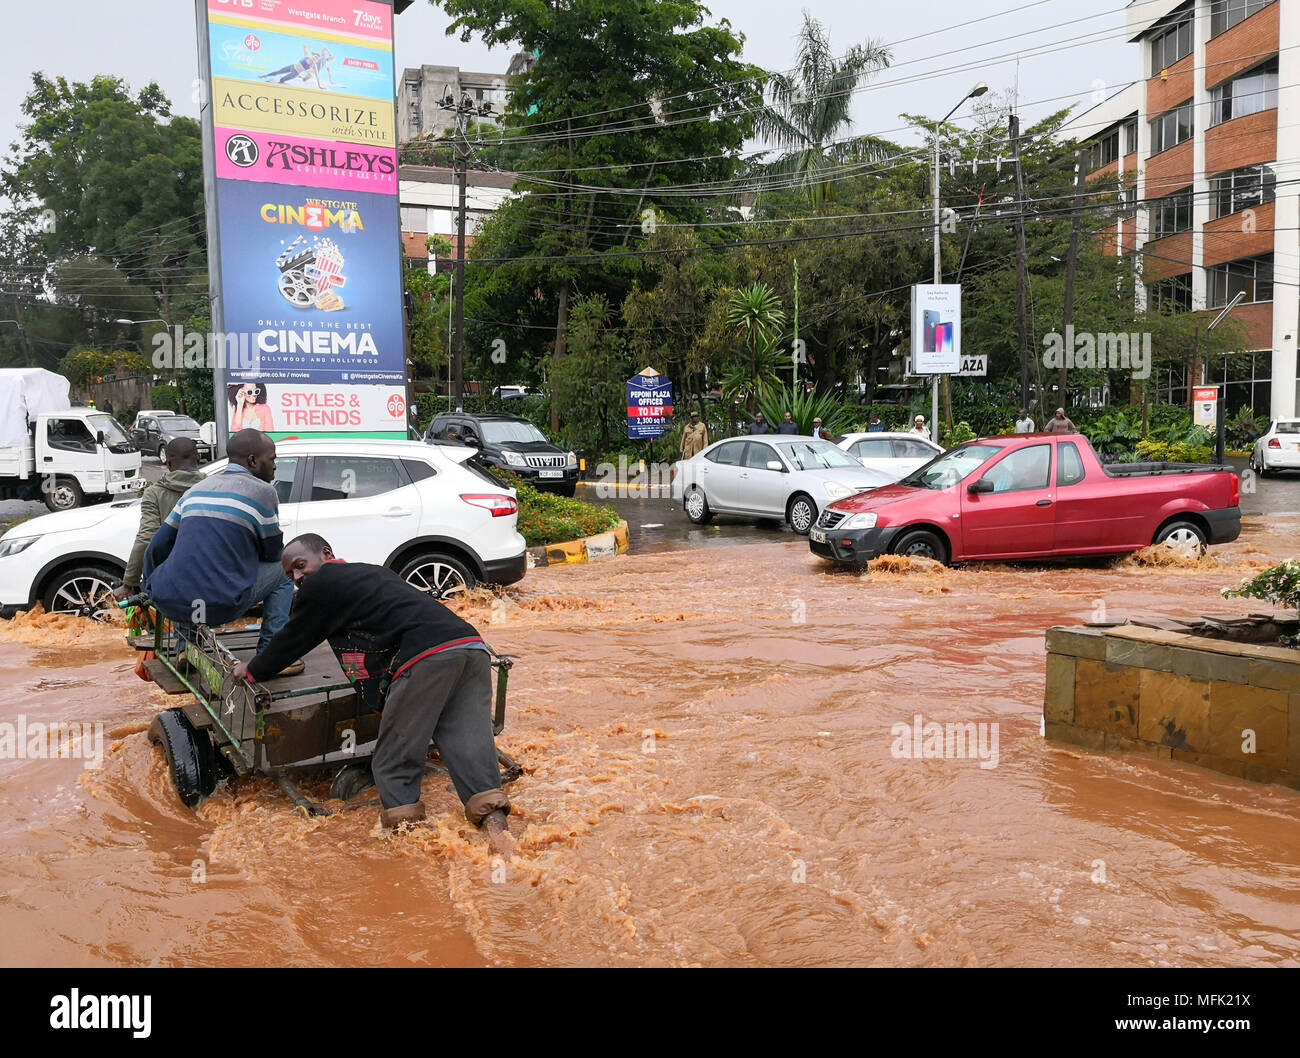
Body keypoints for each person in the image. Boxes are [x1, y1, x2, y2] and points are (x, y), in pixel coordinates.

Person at [230, 534, 512, 845]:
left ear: (326, 554)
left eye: (300, 566)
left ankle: (410, 848)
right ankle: (498, 835)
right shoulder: (372, 572)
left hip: (425, 658)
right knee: (468, 743)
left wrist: (253, 668)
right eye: (289, 575)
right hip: (470, 648)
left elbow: (294, 637)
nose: (297, 578)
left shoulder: (321, 583)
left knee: (393, 760)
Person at [142, 429, 301, 675]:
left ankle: (187, 647)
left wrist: (151, 587)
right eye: (272, 459)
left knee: (190, 578)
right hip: (217, 608)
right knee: (284, 570)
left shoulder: (196, 490)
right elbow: (272, 554)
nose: (275, 467)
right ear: (252, 461)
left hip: (171, 602)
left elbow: (156, 546)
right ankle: (271, 656)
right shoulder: (263, 492)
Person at [115, 438, 205, 601]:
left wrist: (129, 583)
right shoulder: (214, 487)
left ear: (169, 463)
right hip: (209, 577)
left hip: (168, 579)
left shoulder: (154, 494)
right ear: (198, 458)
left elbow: (146, 538)